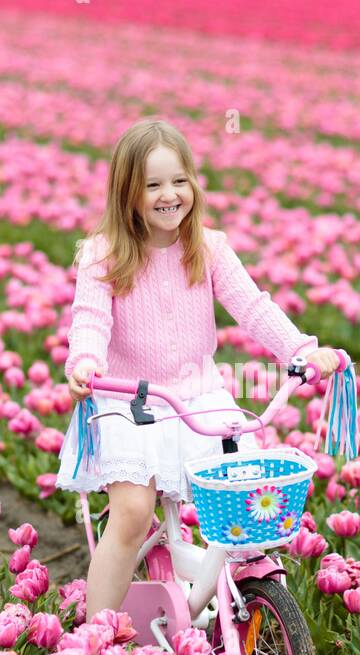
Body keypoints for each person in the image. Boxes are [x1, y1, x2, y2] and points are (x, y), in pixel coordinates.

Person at [56, 118, 339, 617]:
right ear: (127, 193)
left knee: (243, 501)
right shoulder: (103, 255)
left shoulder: (207, 248)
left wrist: (300, 350)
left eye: (179, 180)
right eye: (152, 185)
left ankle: (221, 603)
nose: (169, 194)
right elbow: (91, 320)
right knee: (132, 512)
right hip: (129, 400)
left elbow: (252, 306)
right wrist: (84, 363)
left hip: (199, 395)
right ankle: (96, 635)